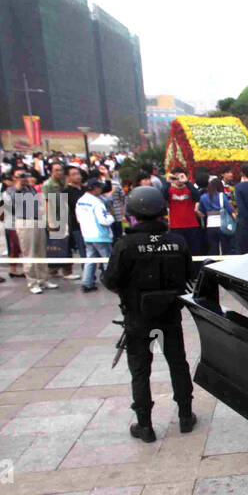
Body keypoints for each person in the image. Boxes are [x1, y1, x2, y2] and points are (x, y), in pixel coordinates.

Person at [101, 186, 196, 442]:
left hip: (138, 319)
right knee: (178, 364)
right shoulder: (177, 242)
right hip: (170, 316)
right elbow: (191, 276)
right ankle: (186, 416)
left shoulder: (125, 245)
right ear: (162, 212)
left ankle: (145, 426)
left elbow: (110, 281)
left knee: (140, 371)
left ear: (132, 213)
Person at [76, 177, 114, 293]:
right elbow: (103, 220)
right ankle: (111, 282)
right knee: (108, 260)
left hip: (87, 233)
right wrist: (111, 218)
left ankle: (87, 283)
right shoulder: (97, 203)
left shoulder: (81, 200)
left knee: (90, 259)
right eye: (99, 187)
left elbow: (78, 218)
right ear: (94, 188)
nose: (101, 189)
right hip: (100, 235)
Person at [166, 168, 202, 254]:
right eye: (175, 177)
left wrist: (187, 182)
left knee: (194, 251)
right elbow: (162, 197)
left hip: (192, 225)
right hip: (175, 226)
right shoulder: (169, 190)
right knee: (177, 252)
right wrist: (167, 183)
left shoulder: (190, 189)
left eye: (180, 176)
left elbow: (197, 196)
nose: (178, 180)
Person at [196, 176, 229, 255]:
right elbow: (229, 209)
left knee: (213, 248)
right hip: (222, 224)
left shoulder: (203, 197)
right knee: (225, 247)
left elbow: (201, 210)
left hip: (210, 225)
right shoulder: (222, 196)